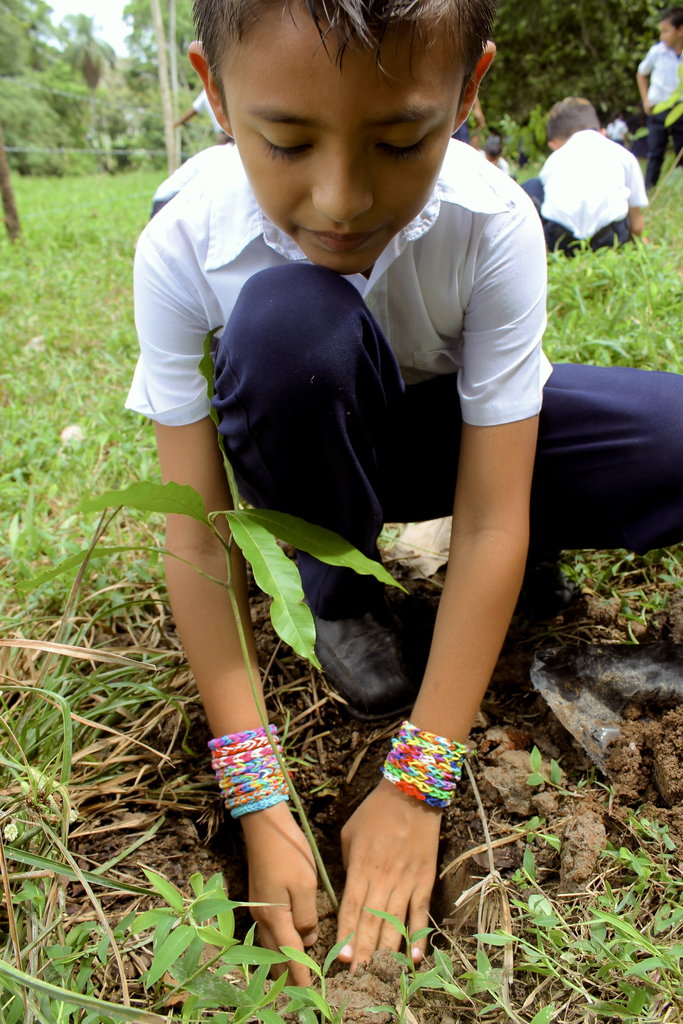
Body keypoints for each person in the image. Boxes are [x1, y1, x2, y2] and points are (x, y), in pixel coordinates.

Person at [128, 0, 683, 986]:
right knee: (286, 329)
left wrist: (419, 776)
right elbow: (198, 539)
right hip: (307, 432)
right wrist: (256, 795)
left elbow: (491, 507)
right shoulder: (184, 245)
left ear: (467, 92)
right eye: (287, 139)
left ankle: (515, 579)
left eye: (398, 139)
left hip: (465, 441)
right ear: (213, 92)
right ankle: (339, 600)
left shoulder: (490, 220)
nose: (339, 199)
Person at [521, 97, 648, 255]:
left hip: (560, 240)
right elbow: (637, 225)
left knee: (533, 185)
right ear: (603, 132)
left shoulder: (556, 158)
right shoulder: (622, 154)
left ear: (553, 144)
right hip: (610, 238)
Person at [636, 7, 683, 189]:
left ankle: (678, 188)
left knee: (681, 150)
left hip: (680, 107)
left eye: (666, 31)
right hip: (659, 108)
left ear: (680, 30)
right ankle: (649, 187)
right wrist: (646, 99)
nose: (662, 36)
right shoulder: (657, 52)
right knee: (655, 150)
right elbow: (641, 73)